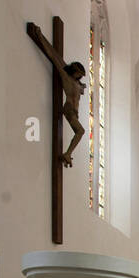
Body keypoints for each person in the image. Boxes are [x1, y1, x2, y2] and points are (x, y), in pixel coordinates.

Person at [26, 22, 87, 168]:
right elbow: (53, 56)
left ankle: (68, 153)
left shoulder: (76, 83)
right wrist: (40, 36)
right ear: (75, 71)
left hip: (74, 111)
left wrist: (81, 87)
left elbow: (79, 89)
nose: (81, 77)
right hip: (68, 109)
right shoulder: (66, 77)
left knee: (80, 132)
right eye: (80, 74)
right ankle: (67, 154)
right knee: (81, 131)